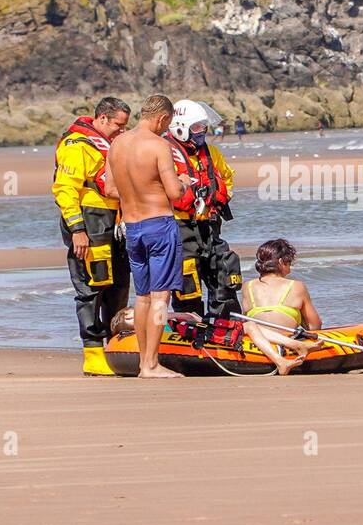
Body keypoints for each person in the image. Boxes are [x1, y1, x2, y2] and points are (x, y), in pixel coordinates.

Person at [103, 94, 188, 378]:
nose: (167, 129)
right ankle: (152, 364)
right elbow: (175, 193)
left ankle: (143, 363)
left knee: (142, 298)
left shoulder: (116, 144)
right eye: (168, 123)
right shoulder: (158, 145)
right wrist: (185, 183)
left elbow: (110, 190)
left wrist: (136, 191)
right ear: (162, 118)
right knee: (161, 298)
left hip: (133, 228)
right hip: (159, 225)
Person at [51, 96, 131, 376]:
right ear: (102, 119)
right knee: (90, 290)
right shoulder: (76, 146)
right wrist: (77, 231)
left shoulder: (111, 145)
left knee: (118, 287)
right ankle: (93, 353)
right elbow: (64, 190)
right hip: (88, 221)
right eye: (118, 126)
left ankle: (115, 345)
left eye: (125, 127)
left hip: (114, 222)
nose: (121, 131)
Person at [165, 100, 243, 317]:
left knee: (224, 273)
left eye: (203, 127)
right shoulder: (165, 153)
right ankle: (190, 328)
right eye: (197, 127)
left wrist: (219, 199)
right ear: (180, 127)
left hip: (210, 225)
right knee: (187, 285)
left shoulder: (211, 153)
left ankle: (225, 324)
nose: (202, 132)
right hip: (181, 226)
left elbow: (226, 177)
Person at [240, 239, 323, 375]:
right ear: (280, 262)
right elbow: (314, 326)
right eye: (289, 262)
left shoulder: (247, 286)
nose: (290, 269)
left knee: (248, 324)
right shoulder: (296, 286)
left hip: (258, 339)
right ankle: (296, 347)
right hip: (283, 338)